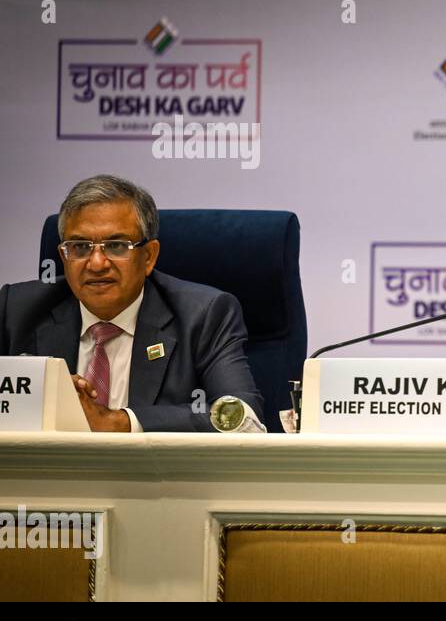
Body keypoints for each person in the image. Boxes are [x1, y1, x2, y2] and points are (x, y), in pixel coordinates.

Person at [0, 175, 263, 432]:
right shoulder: (15, 309)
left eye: (116, 246)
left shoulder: (204, 314)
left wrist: (121, 422)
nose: (97, 263)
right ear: (63, 255)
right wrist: (39, 401)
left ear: (149, 256)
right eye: (80, 247)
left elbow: (244, 416)